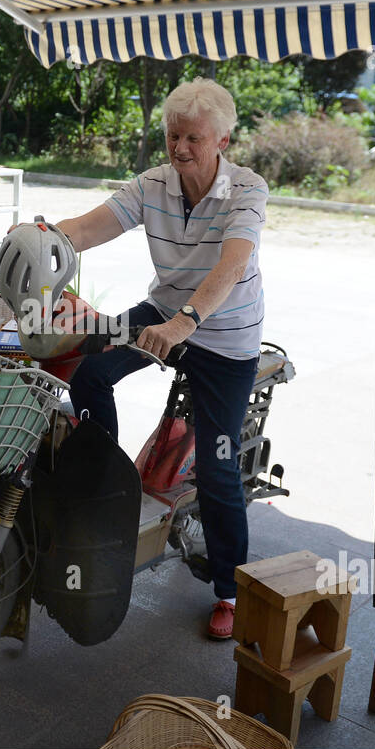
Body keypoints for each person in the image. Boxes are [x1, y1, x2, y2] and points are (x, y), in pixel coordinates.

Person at [53, 77, 267, 640]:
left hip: (223, 335)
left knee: (220, 468)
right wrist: (47, 236)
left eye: (193, 138)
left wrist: (184, 324)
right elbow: (90, 227)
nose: (179, 149)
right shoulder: (152, 185)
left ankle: (228, 592)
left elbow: (234, 264)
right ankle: (111, 482)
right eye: (173, 136)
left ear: (222, 139)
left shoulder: (247, 190)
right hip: (165, 310)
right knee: (92, 373)